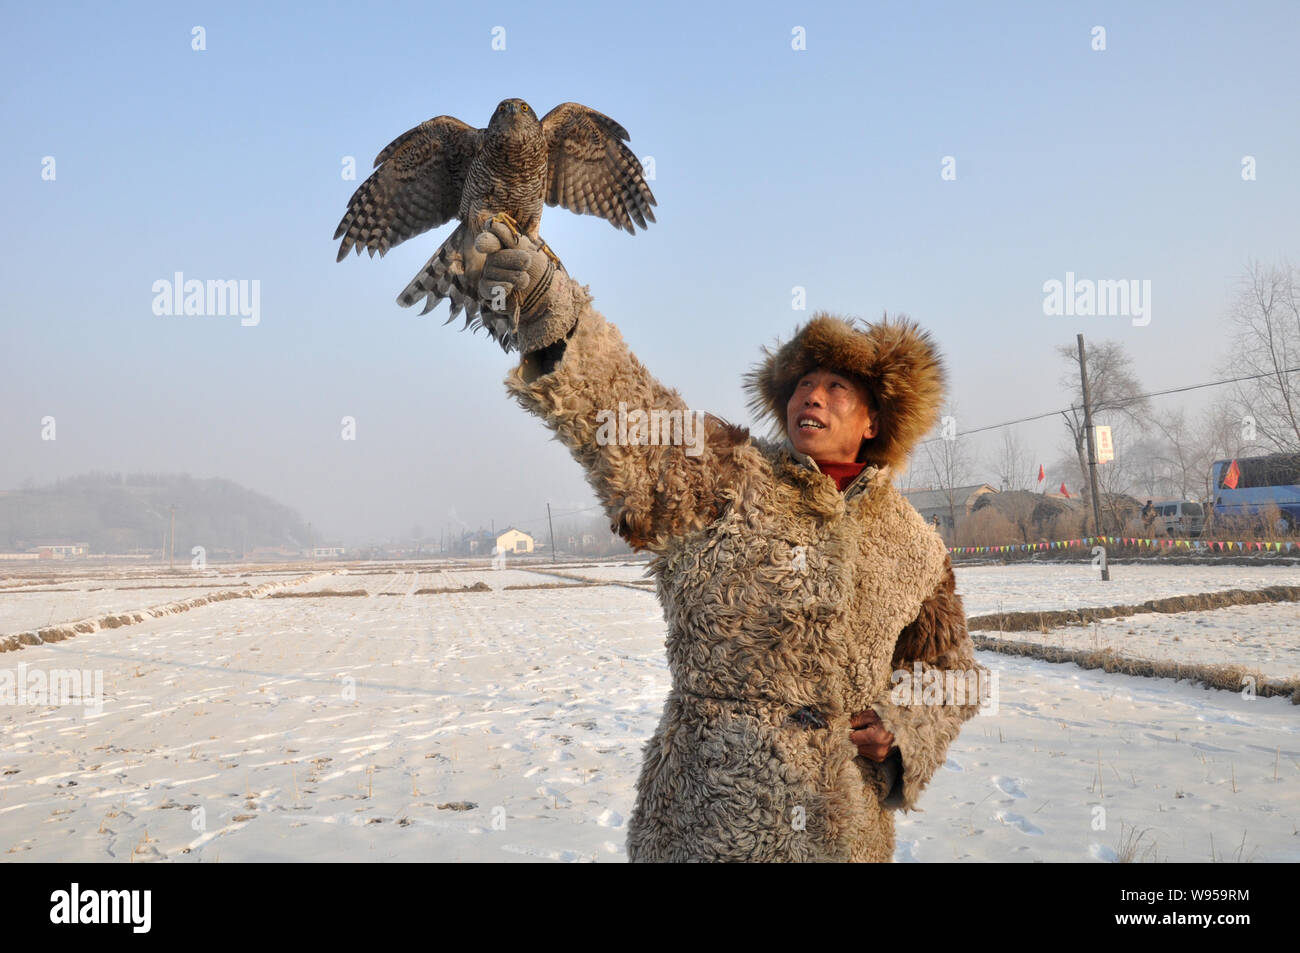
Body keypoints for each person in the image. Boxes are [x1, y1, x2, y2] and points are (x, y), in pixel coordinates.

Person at [470, 221, 986, 862]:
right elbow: (640, 419)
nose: (812, 397)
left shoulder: (914, 546)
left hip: (840, 830)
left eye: (836, 387)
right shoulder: (729, 472)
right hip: (706, 812)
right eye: (802, 384)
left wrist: (902, 727)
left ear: (874, 418)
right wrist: (560, 323)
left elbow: (952, 675)